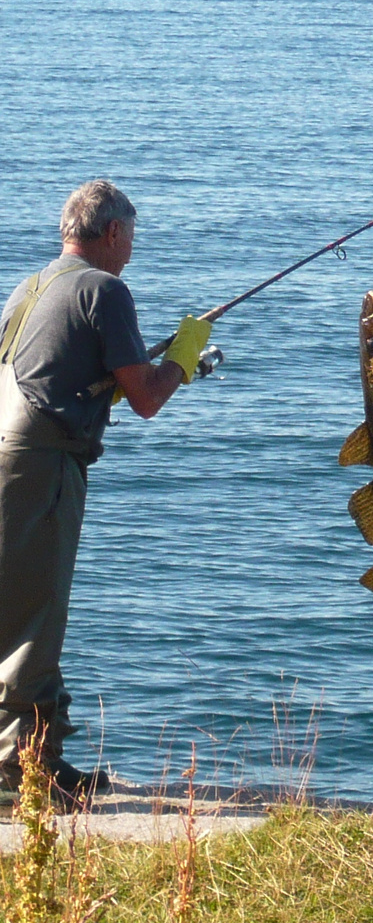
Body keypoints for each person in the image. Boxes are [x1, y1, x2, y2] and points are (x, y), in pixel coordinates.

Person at [0, 180, 212, 798]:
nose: (132, 250)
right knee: (37, 612)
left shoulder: (33, 285)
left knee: (11, 604)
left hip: (7, 448)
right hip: (41, 465)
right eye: (132, 236)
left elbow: (47, 372)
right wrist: (185, 354)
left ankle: (26, 756)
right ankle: (28, 772)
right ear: (112, 231)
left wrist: (113, 381)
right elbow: (146, 398)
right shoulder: (106, 289)